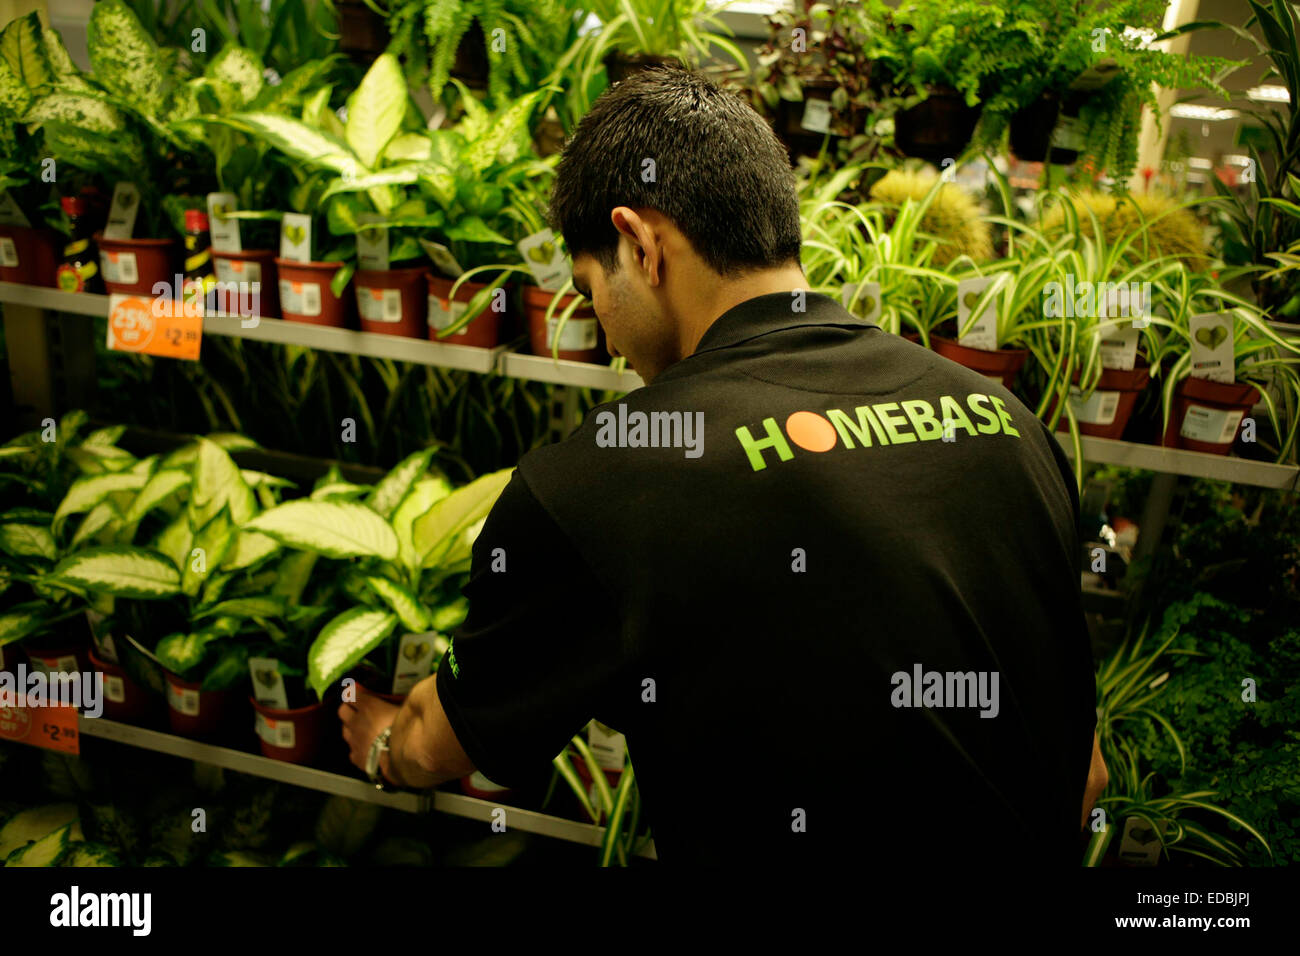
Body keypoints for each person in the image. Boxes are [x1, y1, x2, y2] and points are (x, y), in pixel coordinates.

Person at [340, 68, 1107, 865]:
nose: (602, 333)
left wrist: (384, 738)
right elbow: (1084, 773)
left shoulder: (599, 482)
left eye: (590, 288)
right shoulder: (1008, 422)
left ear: (639, 245)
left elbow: (439, 747)